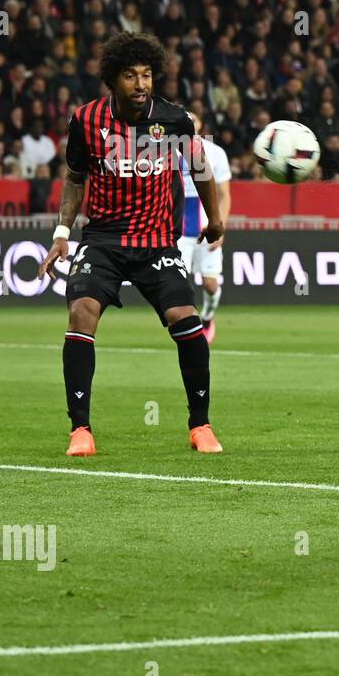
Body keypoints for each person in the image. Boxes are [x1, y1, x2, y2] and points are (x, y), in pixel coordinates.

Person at [39, 32, 225, 457]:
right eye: (130, 75)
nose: (141, 84)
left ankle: (201, 425)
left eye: (147, 75)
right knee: (81, 312)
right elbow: (74, 179)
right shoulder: (86, 121)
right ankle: (80, 431)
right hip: (103, 240)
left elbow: (202, 172)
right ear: (112, 79)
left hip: (157, 242)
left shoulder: (175, 121)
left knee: (187, 320)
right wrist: (62, 234)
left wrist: (215, 221)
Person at [176, 112, 231, 344]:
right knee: (178, 281)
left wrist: (220, 226)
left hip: (205, 225)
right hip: (178, 228)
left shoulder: (216, 153)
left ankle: (207, 317)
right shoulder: (167, 151)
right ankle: (188, 325)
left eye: (194, 119)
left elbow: (224, 195)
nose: (190, 123)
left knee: (210, 284)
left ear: (200, 124)